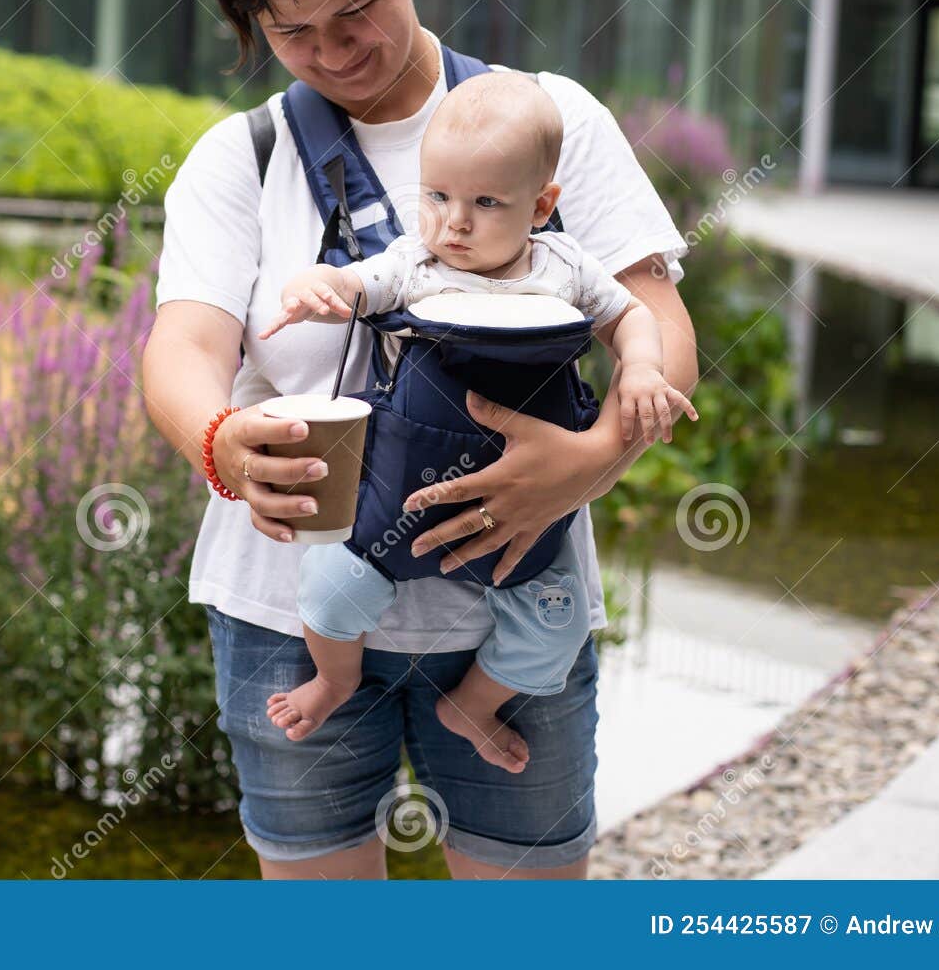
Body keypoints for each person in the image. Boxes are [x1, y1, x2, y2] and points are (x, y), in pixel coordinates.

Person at [142, 0, 696, 880]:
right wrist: (221, 440)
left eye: (356, 9)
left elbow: (658, 329)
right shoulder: (242, 155)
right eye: (293, 31)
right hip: (288, 611)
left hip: (517, 591)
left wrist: (591, 461)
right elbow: (182, 348)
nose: (336, 48)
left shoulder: (547, 119)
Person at [255, 71, 697, 771]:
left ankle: (474, 704)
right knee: (328, 586)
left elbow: (633, 315)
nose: (454, 222)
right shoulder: (418, 260)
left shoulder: (564, 266)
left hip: (532, 510)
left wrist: (639, 368)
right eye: (436, 196)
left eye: (486, 202)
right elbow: (360, 283)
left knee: (557, 624)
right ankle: (334, 678)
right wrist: (322, 287)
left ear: (542, 204)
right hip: (401, 499)